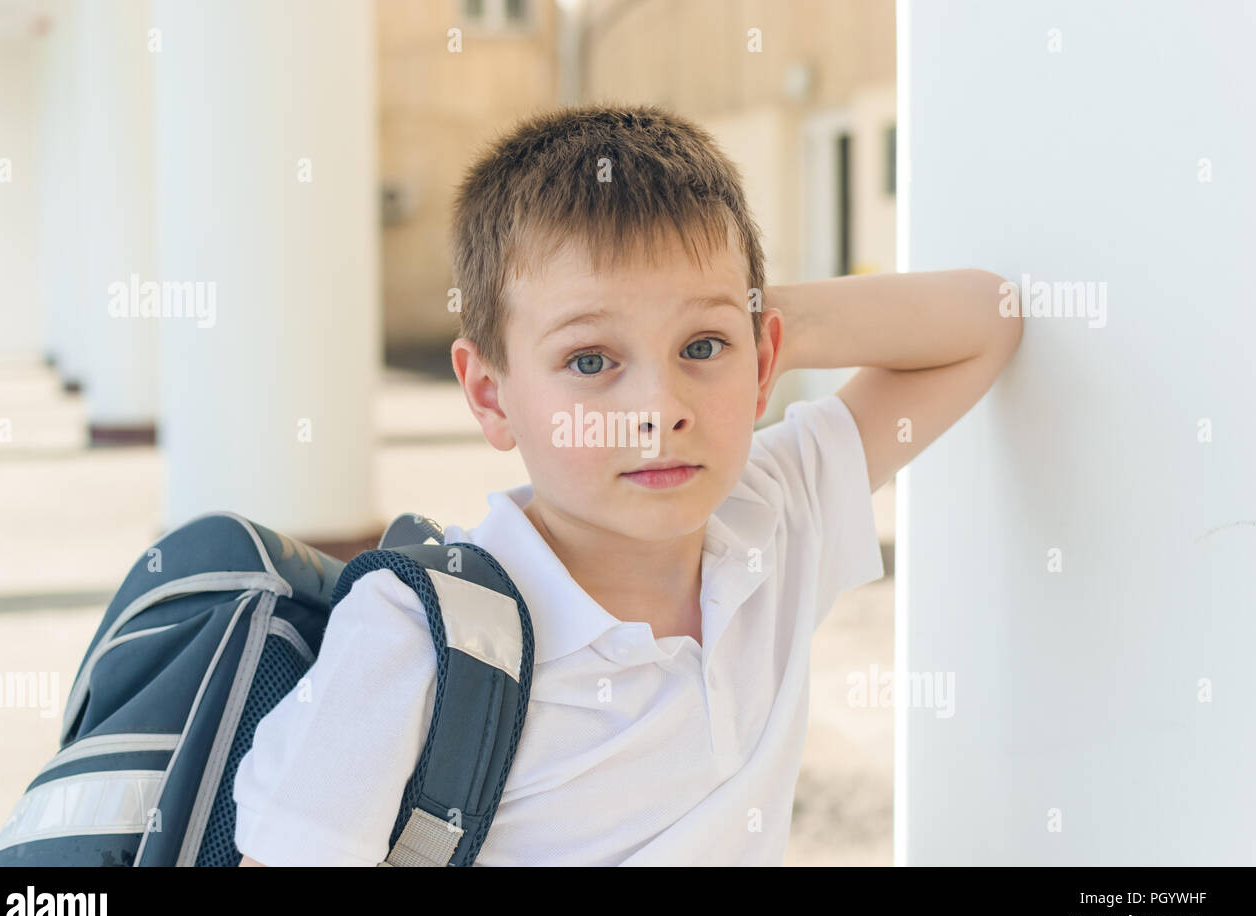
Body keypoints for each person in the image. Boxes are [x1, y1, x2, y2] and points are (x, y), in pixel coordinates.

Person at [234, 103, 1023, 866]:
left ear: (762, 362)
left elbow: (987, 317)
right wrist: (709, 320)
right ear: (489, 393)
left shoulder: (773, 517)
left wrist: (751, 324)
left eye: (702, 348)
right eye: (590, 361)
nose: (660, 412)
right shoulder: (414, 634)